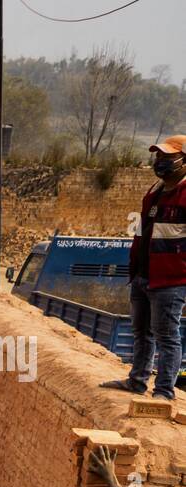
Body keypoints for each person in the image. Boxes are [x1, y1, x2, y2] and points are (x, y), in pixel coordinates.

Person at [100, 135, 186, 402]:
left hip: (169, 281)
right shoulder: (154, 191)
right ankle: (137, 380)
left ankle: (163, 392)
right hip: (142, 275)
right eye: (158, 157)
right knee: (141, 332)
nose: (160, 162)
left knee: (167, 337)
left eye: (168, 158)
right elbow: (142, 232)